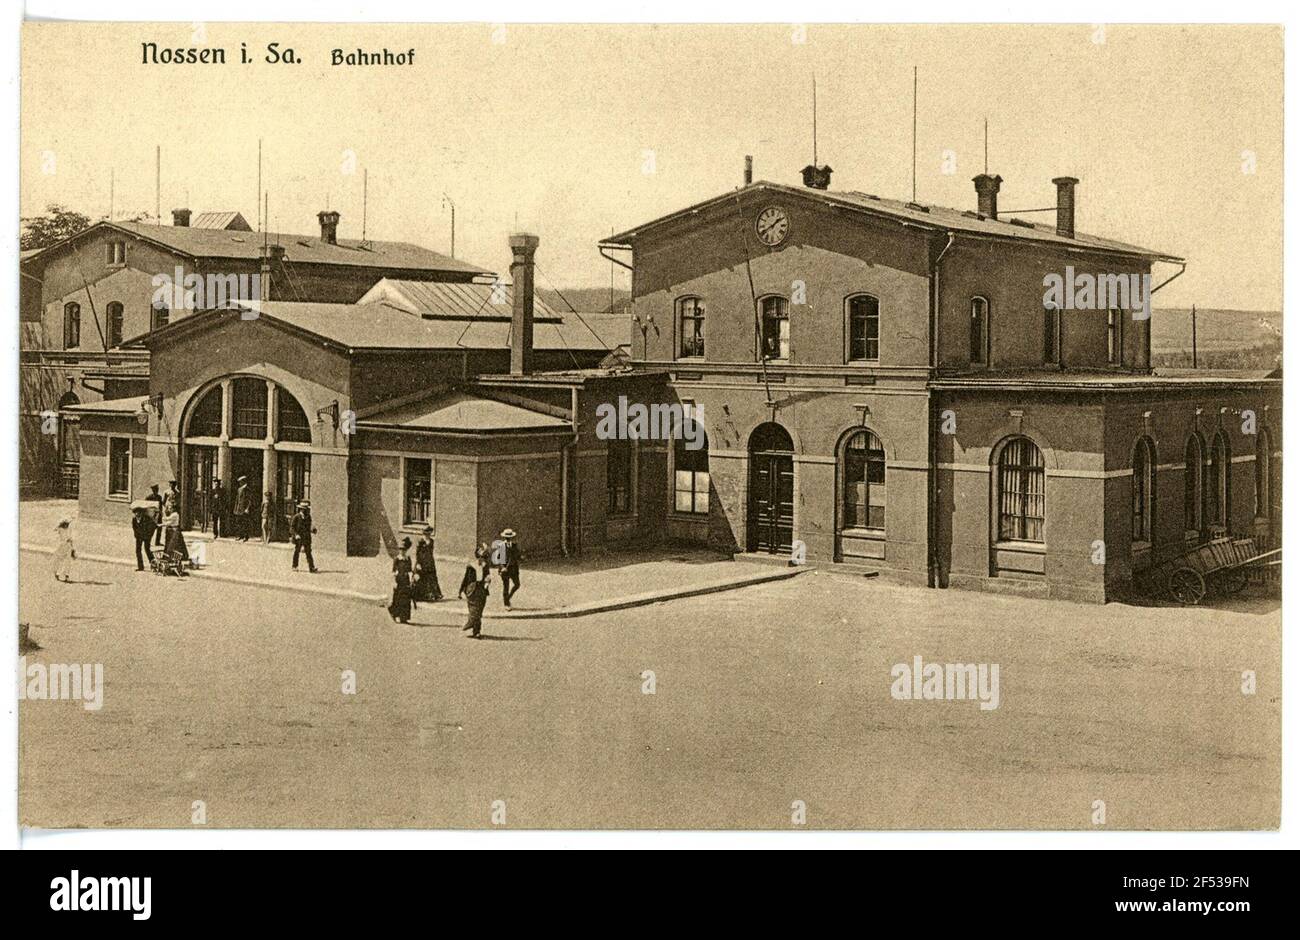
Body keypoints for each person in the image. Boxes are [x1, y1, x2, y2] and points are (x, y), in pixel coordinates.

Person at [388, 537, 415, 623]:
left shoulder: (408, 559)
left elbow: (410, 571)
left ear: (406, 550)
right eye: (401, 549)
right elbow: (394, 572)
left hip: (406, 580)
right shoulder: (397, 559)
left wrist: (411, 580)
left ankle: (404, 617)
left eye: (404, 550)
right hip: (399, 580)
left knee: (405, 599)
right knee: (398, 599)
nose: (402, 551)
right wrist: (394, 582)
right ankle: (394, 613)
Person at [413, 526, 443, 602]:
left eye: (429, 533)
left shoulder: (432, 541)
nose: (427, 535)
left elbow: (430, 552)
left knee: (431, 578)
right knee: (422, 578)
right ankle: (420, 595)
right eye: (426, 533)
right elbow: (417, 553)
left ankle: (433, 594)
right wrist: (418, 563)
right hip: (421, 562)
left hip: (429, 562)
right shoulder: (420, 541)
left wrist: (431, 561)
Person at [497, 528, 523, 610]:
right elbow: (499, 559)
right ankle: (506, 604)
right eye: (506, 538)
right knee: (506, 586)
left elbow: (517, 555)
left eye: (509, 538)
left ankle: (508, 597)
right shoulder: (501, 546)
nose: (508, 539)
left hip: (514, 569)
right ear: (504, 538)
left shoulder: (514, 545)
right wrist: (502, 567)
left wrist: (521, 557)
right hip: (505, 570)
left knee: (517, 584)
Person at [290, 500, 318, 573]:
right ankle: (294, 566)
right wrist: (296, 535)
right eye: (303, 509)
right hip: (299, 537)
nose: (305, 511)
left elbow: (309, 526)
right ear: (301, 509)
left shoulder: (308, 517)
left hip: (306, 537)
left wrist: (313, 530)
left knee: (308, 552)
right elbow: (292, 528)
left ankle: (311, 567)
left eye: (306, 509)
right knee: (297, 551)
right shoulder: (296, 517)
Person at [162, 508, 189, 574]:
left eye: (170, 508)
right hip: (171, 531)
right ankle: (173, 560)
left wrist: (163, 514)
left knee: (173, 546)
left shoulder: (175, 515)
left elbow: (167, 520)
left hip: (174, 532)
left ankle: (172, 560)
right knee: (173, 546)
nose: (169, 509)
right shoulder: (173, 514)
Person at [132, 506, 157, 571]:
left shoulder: (146, 519)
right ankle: (140, 567)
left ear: (141, 513)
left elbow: (153, 526)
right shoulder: (134, 520)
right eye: (135, 513)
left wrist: (149, 535)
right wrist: (136, 535)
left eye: (138, 513)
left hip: (146, 536)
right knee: (138, 551)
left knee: (147, 549)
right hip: (139, 537)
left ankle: (154, 565)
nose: (136, 514)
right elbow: (134, 528)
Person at [232, 475, 252, 541]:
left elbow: (249, 500)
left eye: (241, 482)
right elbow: (237, 500)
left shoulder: (247, 489)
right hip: (239, 509)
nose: (240, 483)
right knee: (239, 523)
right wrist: (235, 508)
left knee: (245, 523)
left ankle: (246, 536)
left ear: (243, 481)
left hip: (244, 509)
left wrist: (247, 508)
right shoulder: (239, 489)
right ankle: (240, 535)